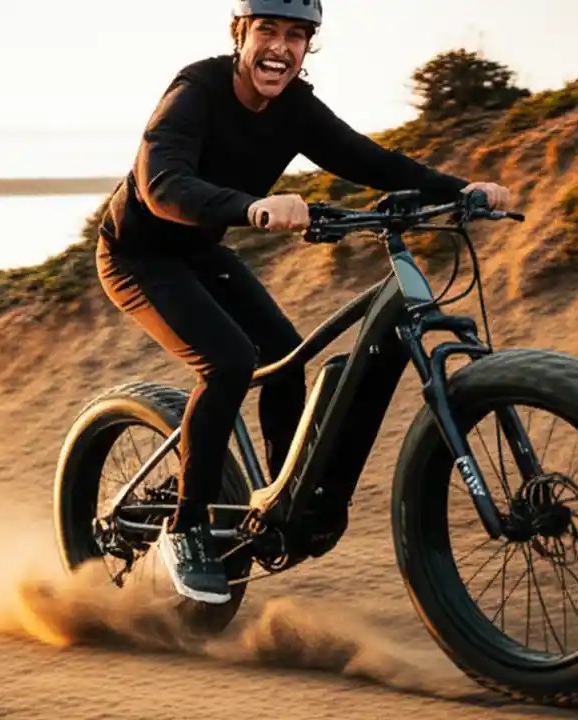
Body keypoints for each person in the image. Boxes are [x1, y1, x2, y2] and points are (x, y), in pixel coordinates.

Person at [94, 0, 511, 604]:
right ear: (241, 33)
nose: (281, 48)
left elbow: (367, 158)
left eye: (297, 35)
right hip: (137, 255)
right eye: (268, 30)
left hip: (201, 251)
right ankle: (185, 528)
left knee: (285, 353)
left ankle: (274, 503)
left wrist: (459, 190)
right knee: (230, 362)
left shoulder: (294, 108)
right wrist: (251, 207)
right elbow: (161, 185)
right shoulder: (196, 90)